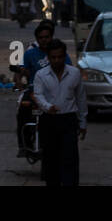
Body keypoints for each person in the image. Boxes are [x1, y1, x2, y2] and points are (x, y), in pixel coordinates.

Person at [32, 39, 87, 187]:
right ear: (48, 58)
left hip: (69, 120)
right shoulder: (41, 75)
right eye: (53, 57)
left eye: (60, 57)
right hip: (49, 120)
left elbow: (81, 99)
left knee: (70, 159)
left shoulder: (74, 73)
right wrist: (47, 106)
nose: (57, 60)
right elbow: (38, 95)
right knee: (51, 159)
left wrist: (83, 123)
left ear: (65, 56)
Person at [15, 20, 71, 156]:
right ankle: (24, 145)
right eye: (41, 38)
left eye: (47, 37)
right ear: (37, 39)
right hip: (34, 90)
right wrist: (19, 82)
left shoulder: (60, 53)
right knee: (23, 111)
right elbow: (19, 72)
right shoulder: (30, 54)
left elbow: (70, 71)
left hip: (55, 90)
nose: (44, 40)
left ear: (51, 37)